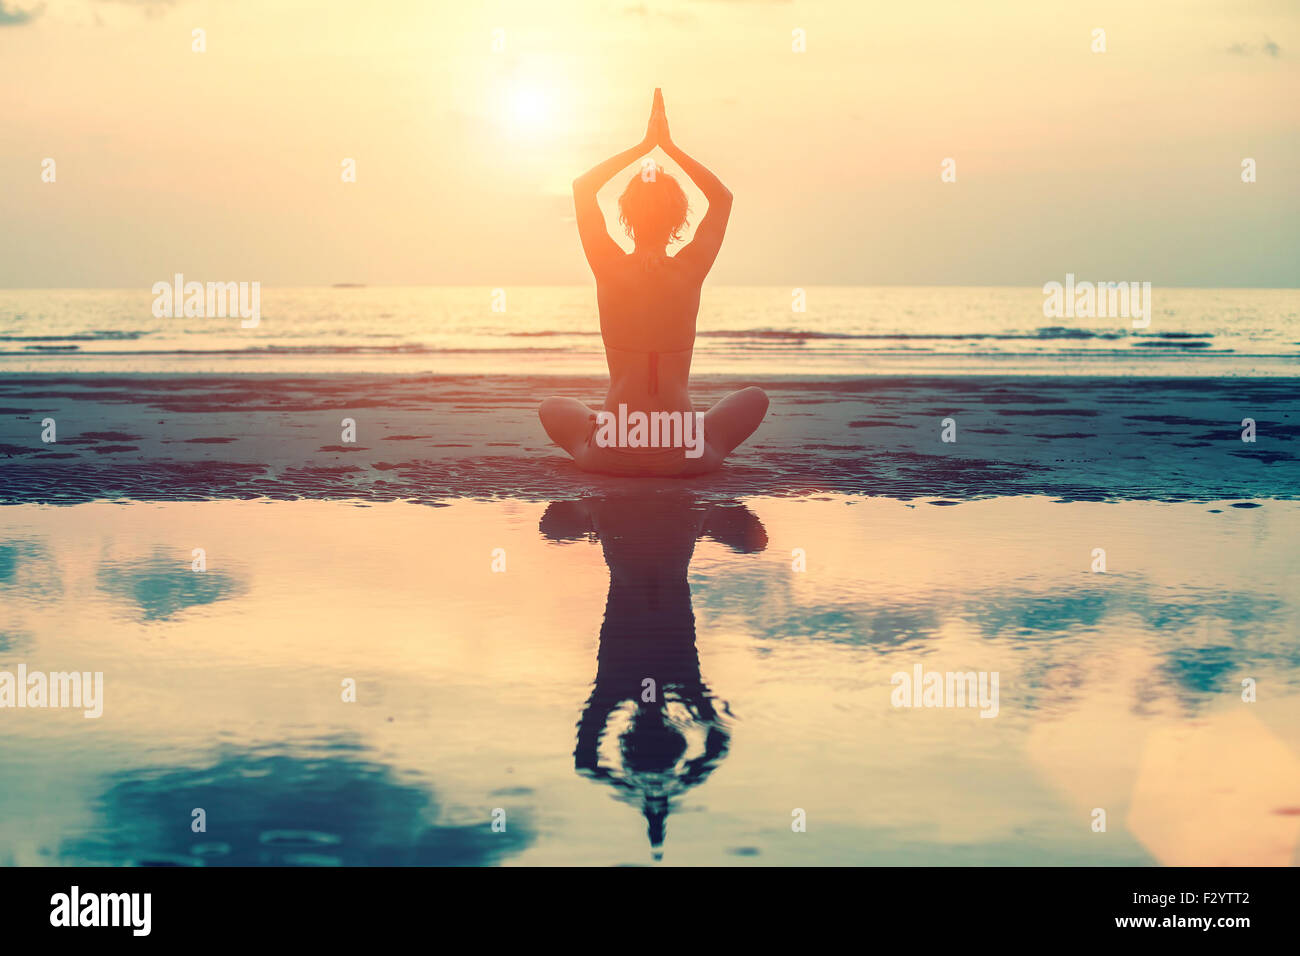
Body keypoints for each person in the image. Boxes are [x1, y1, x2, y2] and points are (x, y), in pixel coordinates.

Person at [539, 89, 769, 476]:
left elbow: (582, 188)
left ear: (626, 216)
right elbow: (722, 198)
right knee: (755, 398)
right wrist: (668, 147)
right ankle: (687, 432)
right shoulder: (689, 269)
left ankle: (599, 430)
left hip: (613, 452)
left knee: (551, 408)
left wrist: (643, 146)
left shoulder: (609, 266)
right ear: (680, 219)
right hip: (683, 455)